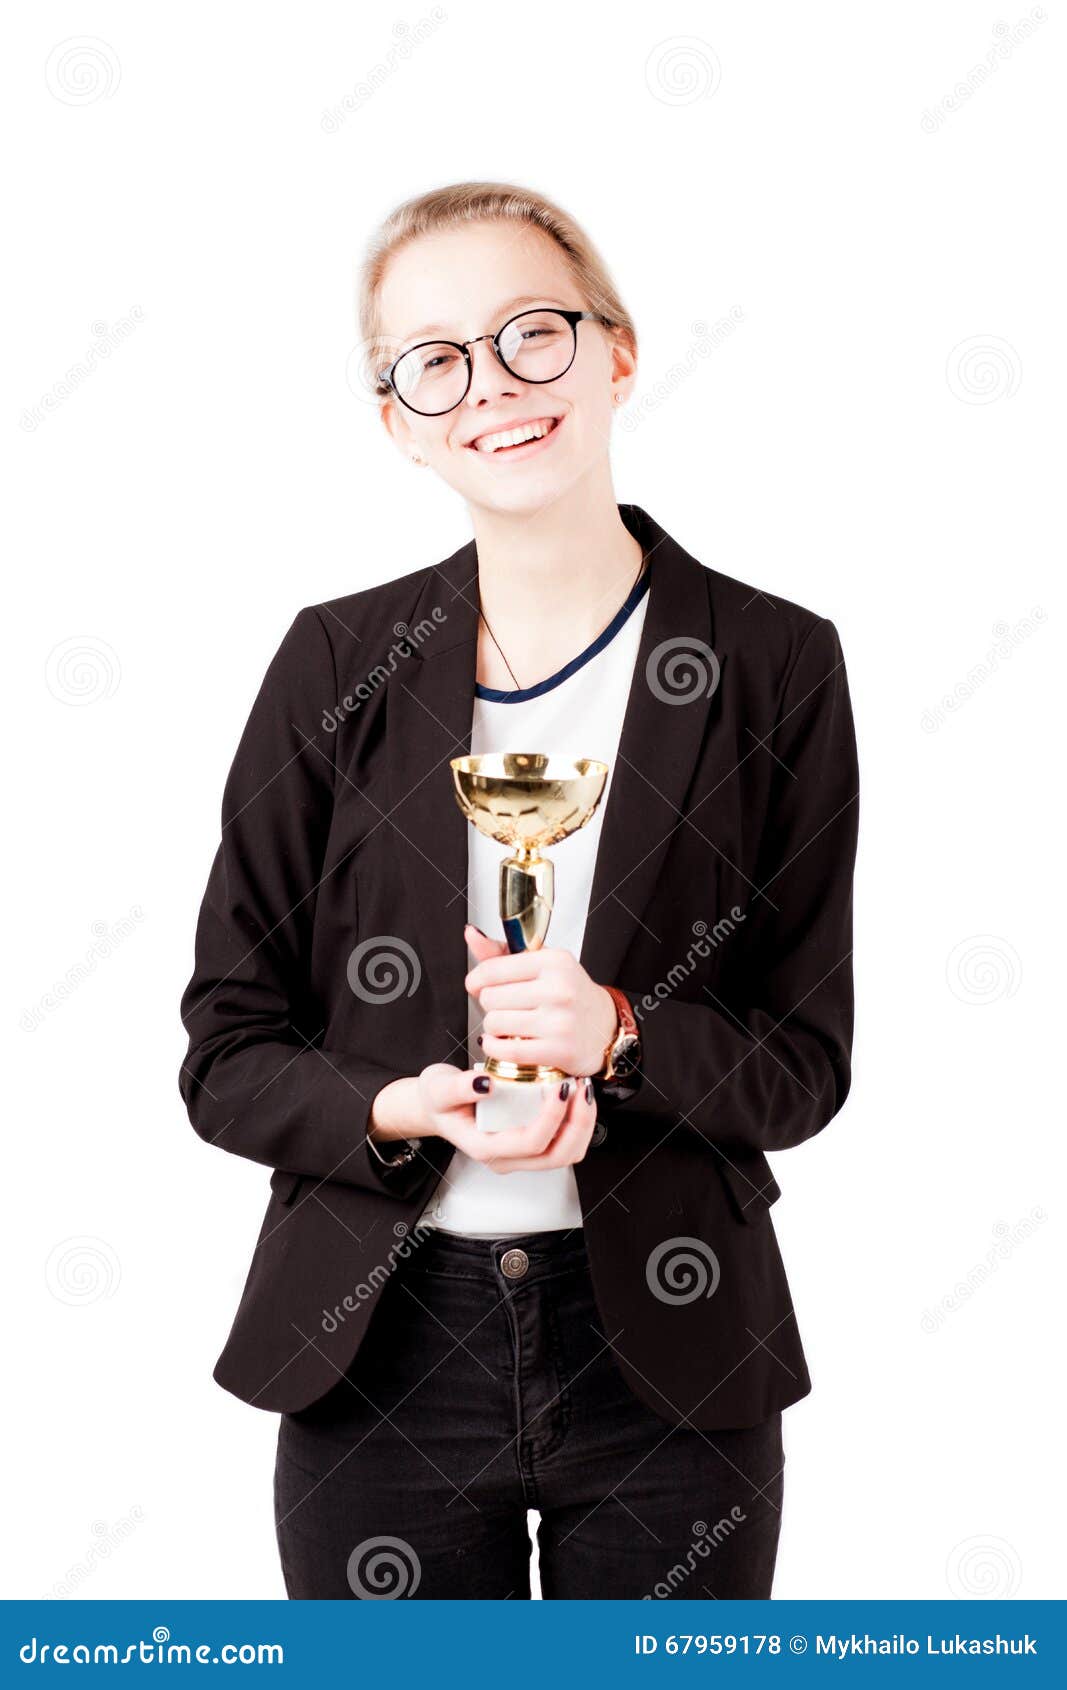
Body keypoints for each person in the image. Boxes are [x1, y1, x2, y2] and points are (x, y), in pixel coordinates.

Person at [178, 180, 860, 1600]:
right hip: (378, 1355)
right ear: (399, 420)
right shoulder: (334, 664)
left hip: (674, 1350)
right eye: (435, 359)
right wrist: (395, 1105)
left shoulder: (778, 664)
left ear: (617, 350)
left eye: (531, 332)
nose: (490, 383)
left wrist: (621, 1032)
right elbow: (227, 1055)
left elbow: (804, 1066)